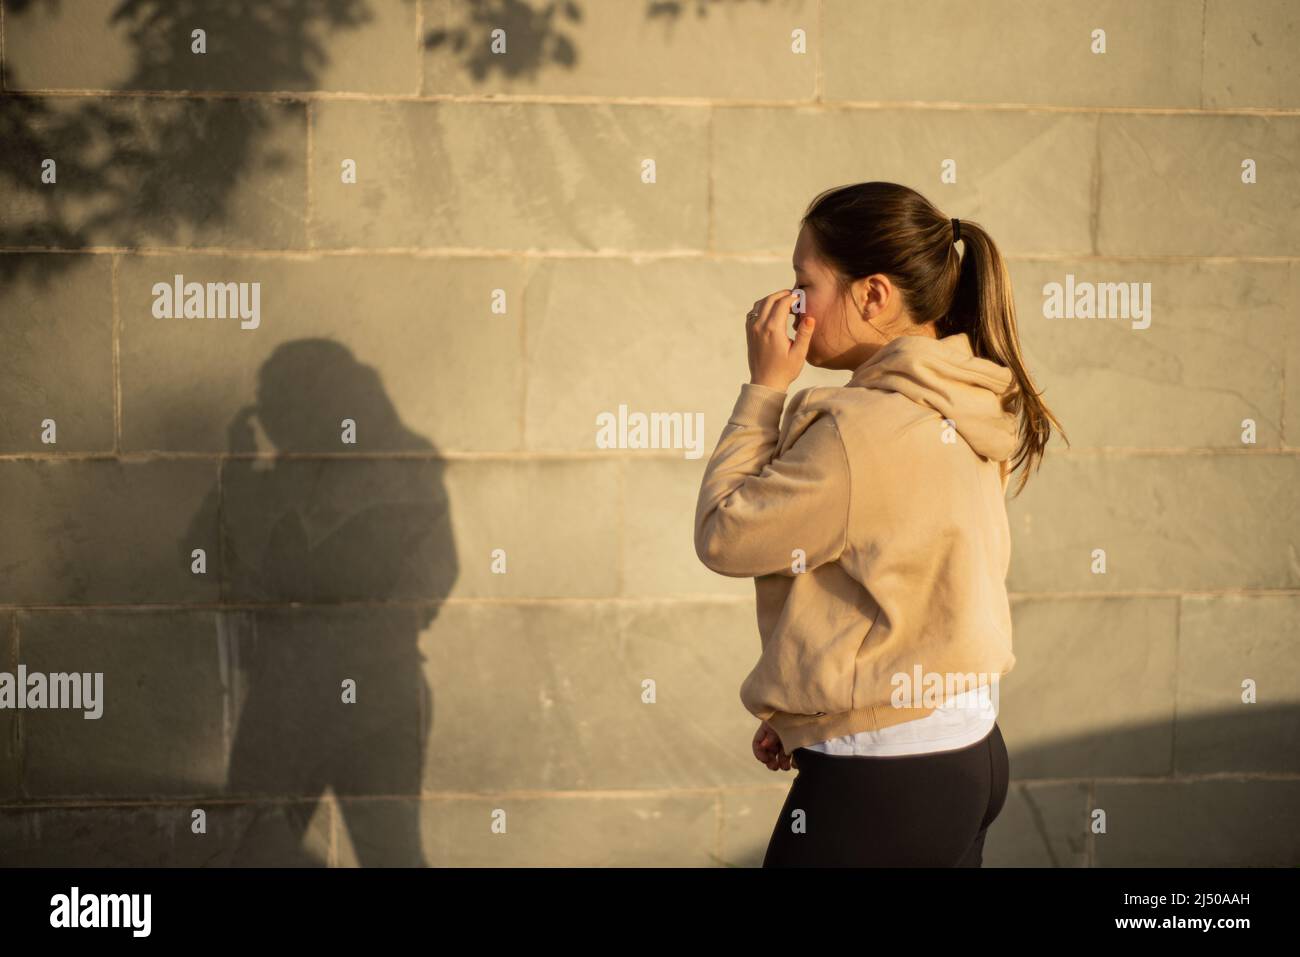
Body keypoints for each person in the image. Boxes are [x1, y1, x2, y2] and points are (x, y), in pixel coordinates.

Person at [694, 182, 1068, 866]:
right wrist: (811, 712)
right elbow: (902, 581)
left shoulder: (857, 429)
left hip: (884, 776)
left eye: (805, 283)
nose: (793, 305)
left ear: (872, 295)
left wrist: (765, 388)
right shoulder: (963, 397)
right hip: (967, 756)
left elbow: (724, 533)